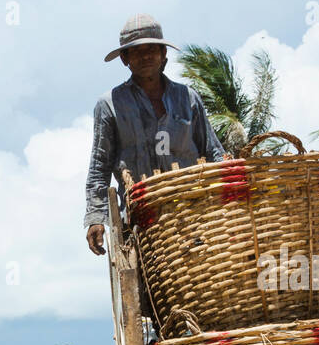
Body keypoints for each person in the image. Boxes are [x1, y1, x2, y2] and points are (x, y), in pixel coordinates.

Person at [84, 14, 226, 256]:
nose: (146, 56)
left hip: (195, 214)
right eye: (136, 51)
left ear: (164, 55)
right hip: (141, 221)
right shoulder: (110, 105)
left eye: (152, 49)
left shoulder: (188, 98)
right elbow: (100, 167)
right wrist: (95, 218)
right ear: (125, 59)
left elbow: (213, 152)